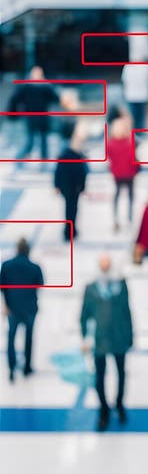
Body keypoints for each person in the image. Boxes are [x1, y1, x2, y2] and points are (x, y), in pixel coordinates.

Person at [80, 254, 133, 431]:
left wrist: (130, 335)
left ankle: (119, 403)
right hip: (99, 340)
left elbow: (127, 311)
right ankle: (104, 409)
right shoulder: (91, 289)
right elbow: (84, 315)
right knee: (100, 376)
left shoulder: (121, 285)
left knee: (121, 373)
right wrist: (85, 338)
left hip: (119, 338)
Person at [0, 238, 44, 382]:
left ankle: (12, 368)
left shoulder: (6, 266)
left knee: (11, 338)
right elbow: (40, 285)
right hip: (30, 308)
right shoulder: (35, 267)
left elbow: (2, 286)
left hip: (12, 308)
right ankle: (27, 367)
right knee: (29, 337)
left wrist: (6, 304)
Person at [8, 66, 60, 166]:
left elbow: (55, 98)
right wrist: (13, 113)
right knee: (30, 141)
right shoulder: (26, 87)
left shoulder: (46, 87)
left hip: (43, 117)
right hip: (31, 117)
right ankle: (19, 159)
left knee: (43, 141)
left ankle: (44, 162)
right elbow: (15, 99)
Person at [54, 121, 88, 241]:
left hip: (68, 187)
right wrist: (83, 187)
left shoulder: (64, 156)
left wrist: (57, 185)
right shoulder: (78, 158)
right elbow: (83, 174)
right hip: (73, 188)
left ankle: (69, 230)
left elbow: (57, 172)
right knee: (72, 209)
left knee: (69, 209)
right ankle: (70, 230)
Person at [107, 116, 140, 231]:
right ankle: (116, 218)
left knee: (130, 196)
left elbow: (135, 155)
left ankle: (129, 218)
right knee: (118, 195)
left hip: (129, 173)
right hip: (118, 174)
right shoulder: (112, 143)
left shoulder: (130, 141)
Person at [121, 61, 148, 132]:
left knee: (140, 120)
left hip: (140, 97)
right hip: (133, 97)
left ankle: (139, 136)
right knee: (134, 120)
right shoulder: (129, 67)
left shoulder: (146, 67)